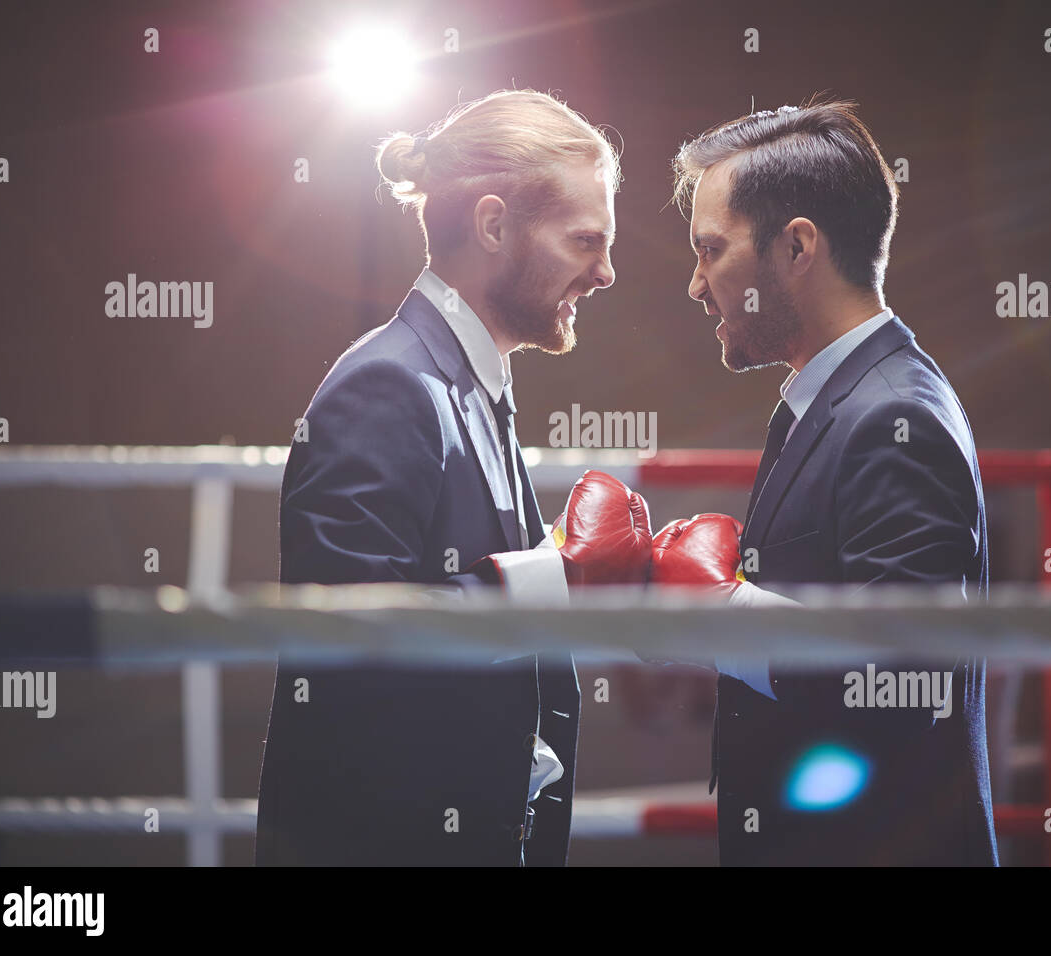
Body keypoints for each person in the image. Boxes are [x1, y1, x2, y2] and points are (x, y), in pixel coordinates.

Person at [255, 90, 651, 866]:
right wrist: (558, 579)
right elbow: (343, 632)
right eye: (584, 241)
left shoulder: (470, 382)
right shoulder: (392, 384)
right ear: (495, 225)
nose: (606, 272)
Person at [652, 97, 999, 865]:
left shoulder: (892, 417)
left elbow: (905, 682)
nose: (696, 284)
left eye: (711, 250)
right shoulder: (840, 401)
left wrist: (720, 615)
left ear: (797, 248)